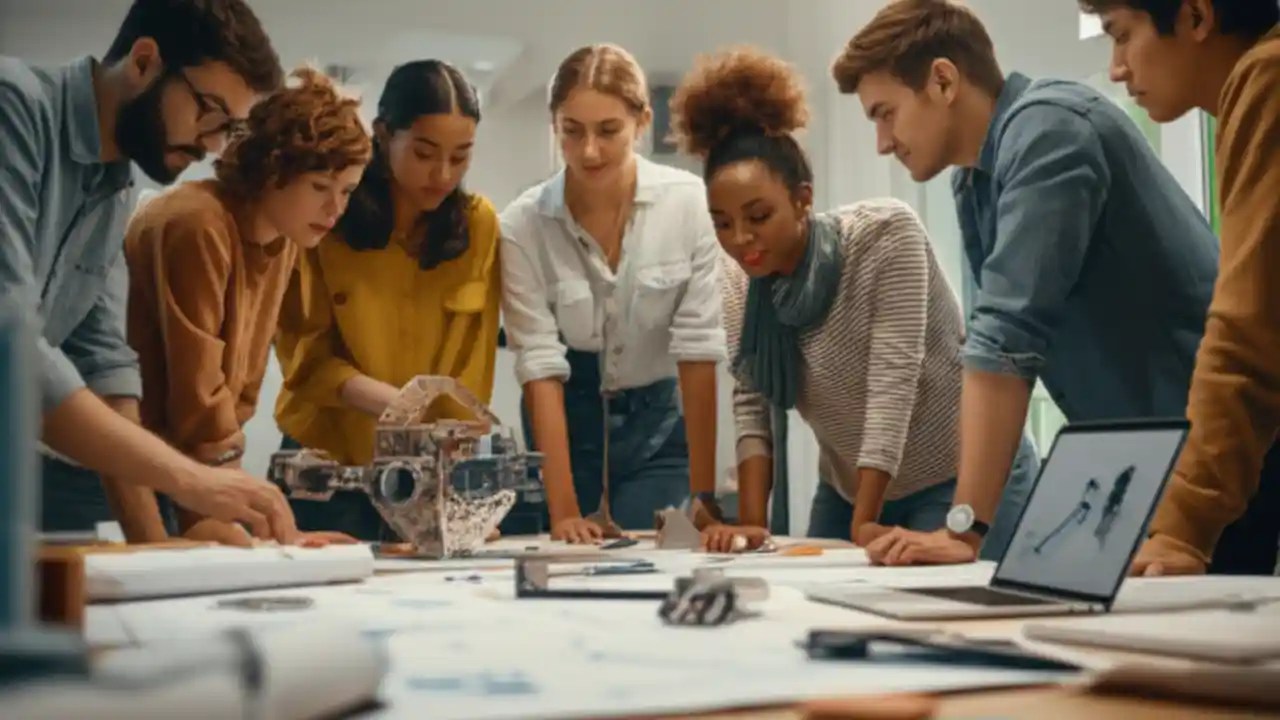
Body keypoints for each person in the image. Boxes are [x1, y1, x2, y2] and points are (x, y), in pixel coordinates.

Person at [831, 0, 1219, 566]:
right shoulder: (975, 181)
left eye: (885, 113)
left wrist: (961, 530)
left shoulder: (1050, 128)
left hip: (1208, 446)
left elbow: (1006, 338)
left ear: (942, 80)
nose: (883, 142)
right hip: (1130, 450)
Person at [667, 47, 1038, 557]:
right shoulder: (738, 277)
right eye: (722, 222)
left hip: (958, 474)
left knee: (935, 611)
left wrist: (865, 523)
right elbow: (752, 398)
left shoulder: (884, 234)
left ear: (803, 199)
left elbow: (893, 383)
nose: (741, 239)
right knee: (812, 605)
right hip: (849, 486)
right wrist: (750, 524)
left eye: (758, 216)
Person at [0, 0, 298, 542]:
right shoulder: (13, 106)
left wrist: (155, 551)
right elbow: (10, 343)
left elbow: (105, 364)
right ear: (143, 62)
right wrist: (193, 481)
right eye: (209, 111)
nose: (210, 145)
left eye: (226, 128)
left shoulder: (113, 188)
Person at [121, 67, 371, 545]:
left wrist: (268, 527)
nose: (335, 210)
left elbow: (233, 395)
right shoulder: (196, 224)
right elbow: (198, 395)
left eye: (347, 192)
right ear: (271, 169)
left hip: (177, 465)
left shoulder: (283, 240)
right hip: (107, 468)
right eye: (320, 187)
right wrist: (251, 511)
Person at [1083, 0, 1280, 576]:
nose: (1117, 68)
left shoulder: (1266, 78)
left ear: (1196, 17)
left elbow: (1249, 330)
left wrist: (1182, 530)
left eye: (1122, 36)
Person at [500, 44, 726, 543]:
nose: (589, 152)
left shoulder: (689, 205)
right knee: (570, 563)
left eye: (608, 131)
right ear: (554, 126)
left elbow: (698, 350)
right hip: (566, 423)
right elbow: (538, 365)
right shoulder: (522, 224)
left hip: (657, 425)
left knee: (656, 554)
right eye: (571, 131)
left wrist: (704, 497)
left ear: (642, 120)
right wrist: (563, 512)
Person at [274, 60, 501, 541]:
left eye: (461, 157)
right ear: (382, 134)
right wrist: (395, 406)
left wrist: (456, 481)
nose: (443, 173)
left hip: (432, 469)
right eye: (423, 152)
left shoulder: (479, 226)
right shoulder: (328, 219)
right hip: (329, 464)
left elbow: (472, 365)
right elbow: (303, 356)